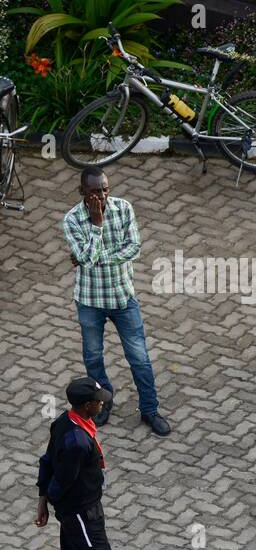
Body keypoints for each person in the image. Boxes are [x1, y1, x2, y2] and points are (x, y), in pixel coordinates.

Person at [34, 376, 142, 550]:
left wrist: (42, 500)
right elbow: (62, 479)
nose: (102, 404)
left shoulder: (64, 421)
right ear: (86, 406)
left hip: (77, 510)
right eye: (98, 402)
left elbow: (46, 460)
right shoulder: (77, 442)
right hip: (82, 510)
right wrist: (52, 501)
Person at [62, 166, 171, 436]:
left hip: (123, 297)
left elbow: (133, 247)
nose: (102, 196)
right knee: (93, 357)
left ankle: (150, 409)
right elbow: (84, 258)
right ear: (82, 192)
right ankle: (104, 402)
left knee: (139, 359)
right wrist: (97, 225)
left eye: (105, 189)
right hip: (89, 300)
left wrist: (96, 258)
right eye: (95, 191)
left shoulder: (123, 208)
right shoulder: (72, 220)